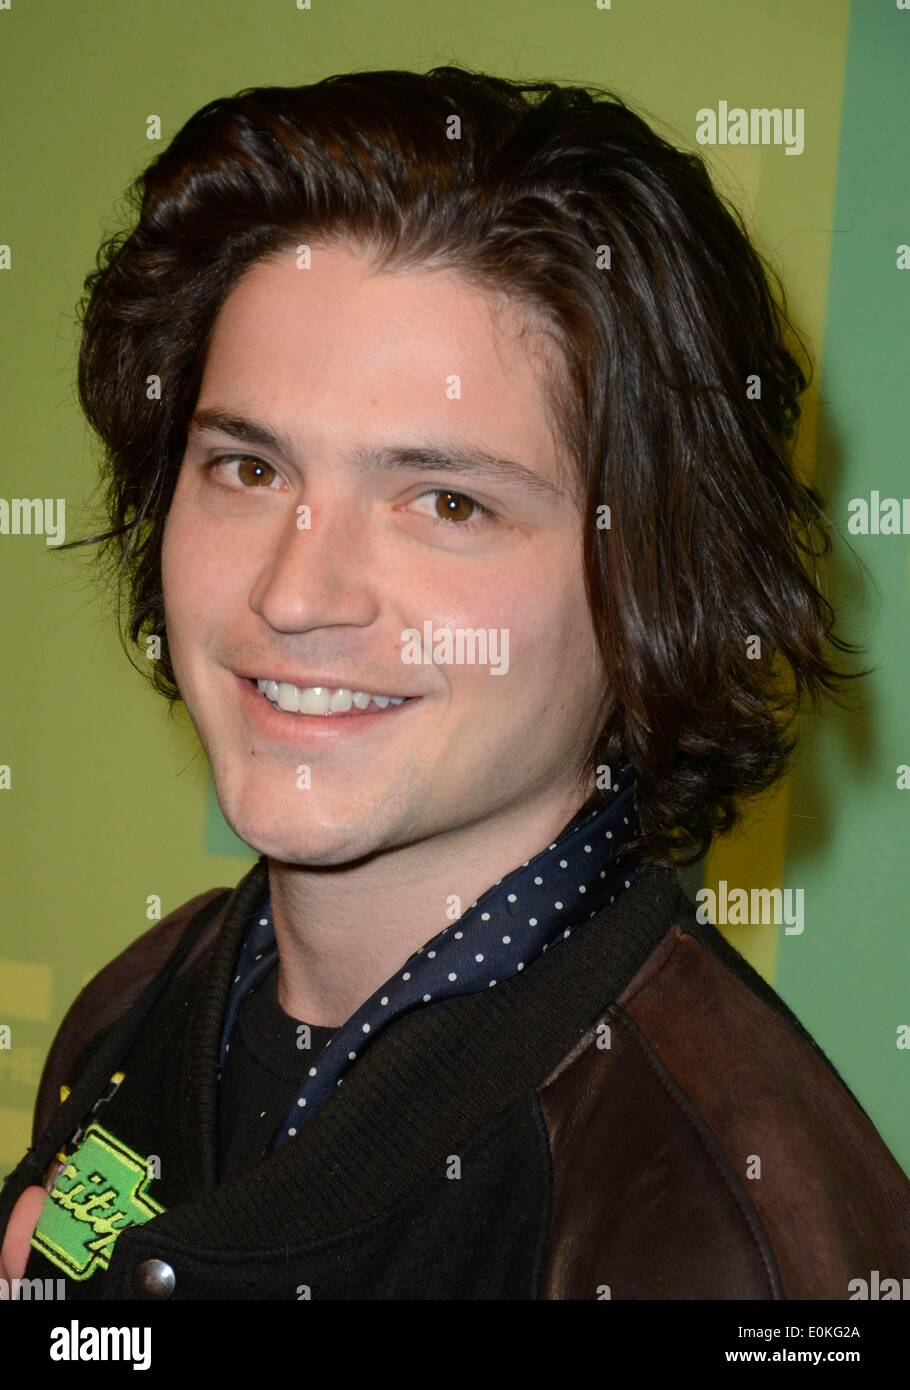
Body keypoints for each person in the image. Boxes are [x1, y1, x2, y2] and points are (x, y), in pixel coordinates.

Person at [2, 65, 908, 1302]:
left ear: (651, 578)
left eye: (445, 502)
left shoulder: (730, 1239)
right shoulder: (134, 1012)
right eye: (249, 469)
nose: (295, 592)